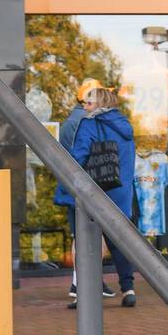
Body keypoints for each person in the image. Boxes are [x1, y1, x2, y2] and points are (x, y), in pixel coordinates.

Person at [55, 86, 138, 307]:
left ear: (100, 104)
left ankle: (84, 293)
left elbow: (79, 156)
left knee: (85, 242)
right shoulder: (125, 127)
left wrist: (64, 186)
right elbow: (128, 163)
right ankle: (128, 288)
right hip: (119, 193)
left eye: (89, 102)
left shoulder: (89, 123)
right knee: (118, 242)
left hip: (93, 192)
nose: (84, 105)